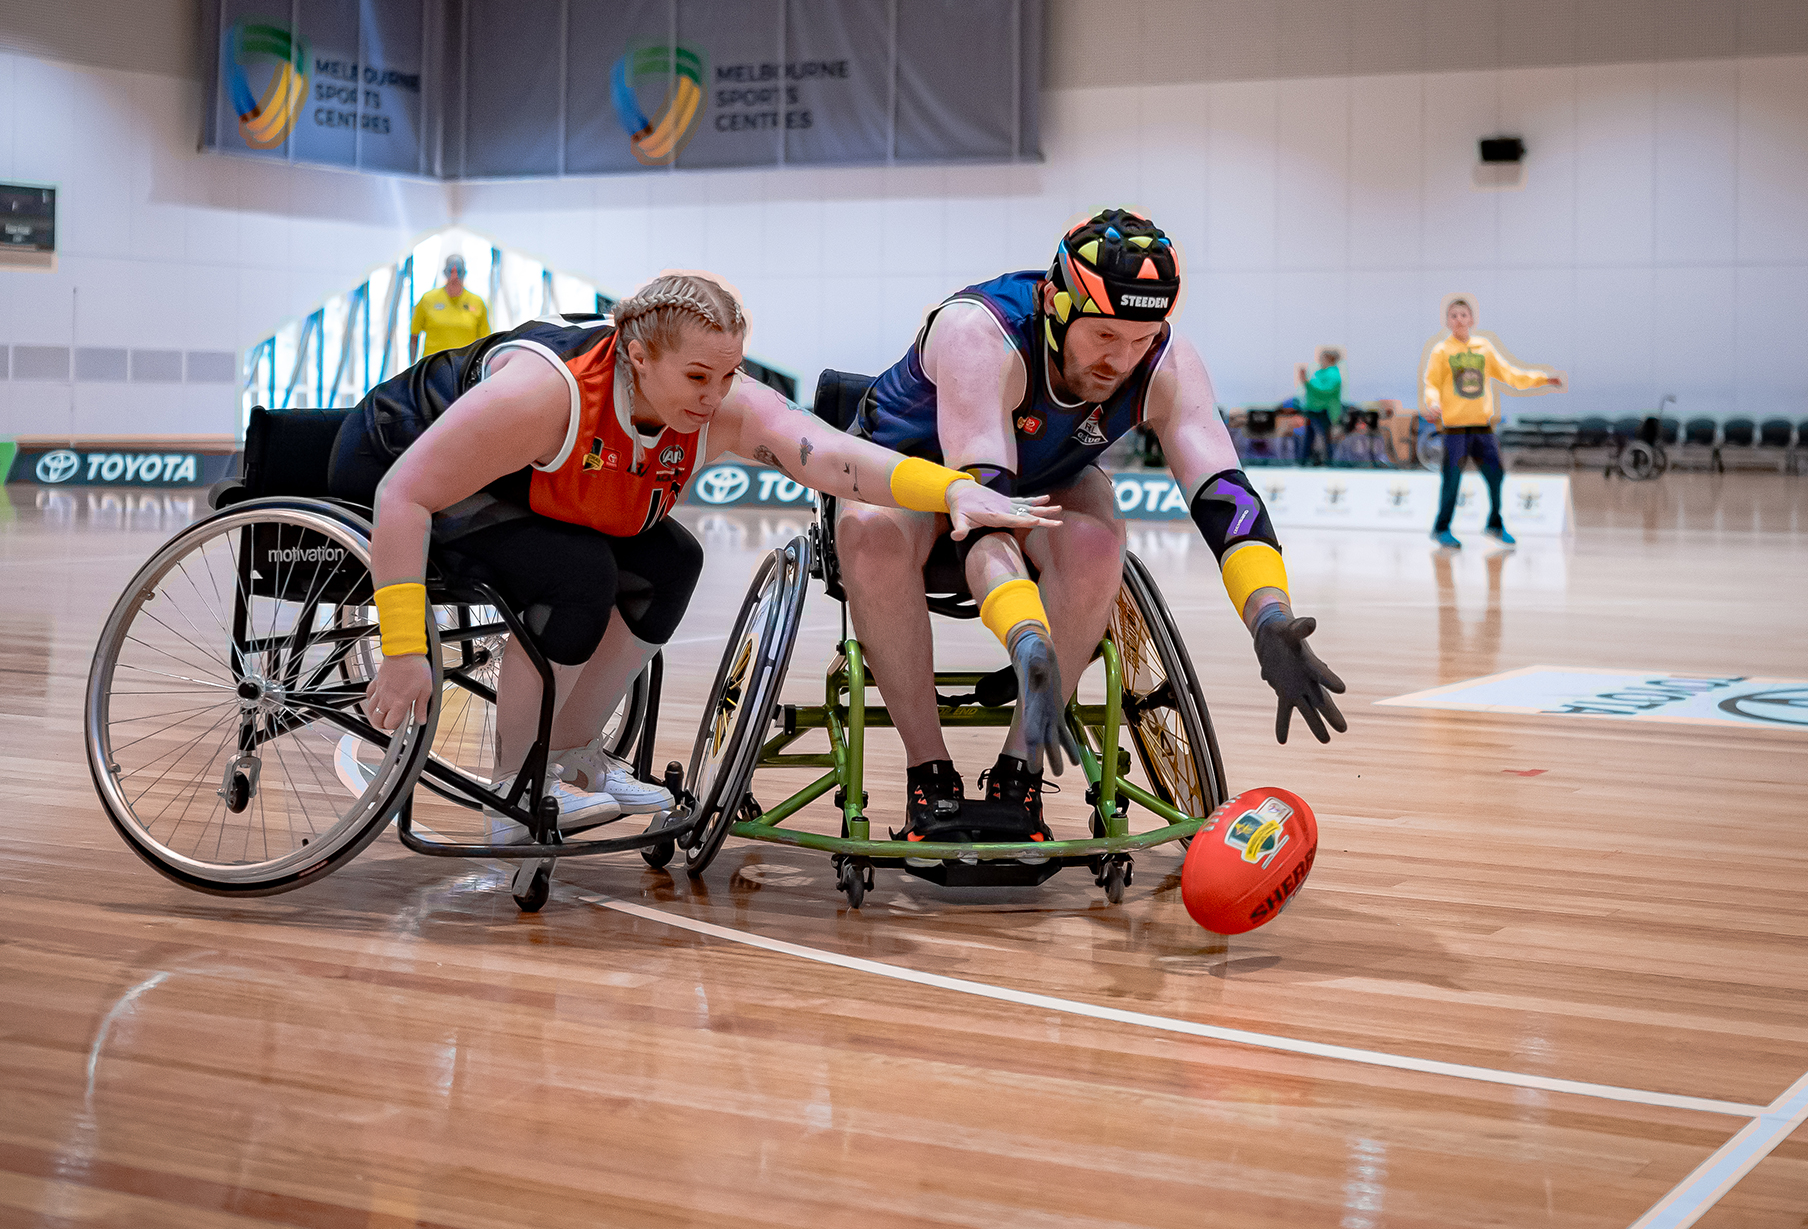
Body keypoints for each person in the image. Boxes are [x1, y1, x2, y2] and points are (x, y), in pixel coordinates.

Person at [339, 273, 1042, 844]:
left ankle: (571, 753)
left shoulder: (716, 400)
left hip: (528, 483)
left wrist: (952, 489)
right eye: (700, 376)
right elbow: (403, 493)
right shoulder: (544, 394)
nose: (716, 398)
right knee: (578, 575)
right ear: (637, 357)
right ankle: (516, 787)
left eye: (730, 375)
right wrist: (404, 651)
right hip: (394, 461)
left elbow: (829, 455)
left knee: (672, 563)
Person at [839, 209, 1349, 849]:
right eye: (1104, 335)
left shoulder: (1165, 361)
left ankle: (1018, 772)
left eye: (1140, 340)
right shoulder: (981, 334)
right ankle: (927, 769)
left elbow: (1226, 496)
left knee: (1097, 540)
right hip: (906, 473)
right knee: (869, 532)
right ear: (1055, 303)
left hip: (1028, 481)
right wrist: (1027, 637)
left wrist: (1270, 617)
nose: (1122, 359)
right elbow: (983, 520)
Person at [1419, 296, 1562, 549]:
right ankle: (1441, 528)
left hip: (1482, 428)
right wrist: (1433, 403)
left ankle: (1494, 524)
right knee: (1451, 480)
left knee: (1496, 475)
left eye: (1463, 315)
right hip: (1454, 430)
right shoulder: (1441, 351)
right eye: (1453, 315)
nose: (1459, 319)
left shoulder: (1484, 348)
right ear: (1447, 321)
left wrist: (1542, 379)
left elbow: (1511, 374)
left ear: (1472, 319)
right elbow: (1432, 384)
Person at [409, 253, 491, 362]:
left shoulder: (477, 302)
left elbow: (485, 341)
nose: (455, 277)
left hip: (464, 369)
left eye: (459, 272)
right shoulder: (427, 299)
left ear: (465, 273)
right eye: (451, 272)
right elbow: (414, 336)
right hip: (433, 366)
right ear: (445, 273)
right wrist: (412, 368)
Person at [1294, 346, 1345, 465]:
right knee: (1309, 436)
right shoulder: (1320, 373)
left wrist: (1306, 381)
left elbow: (1323, 390)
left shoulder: (1333, 375)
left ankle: (1330, 462)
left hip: (1324, 411)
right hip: (1313, 410)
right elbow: (1312, 388)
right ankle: (1303, 461)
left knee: (1326, 438)